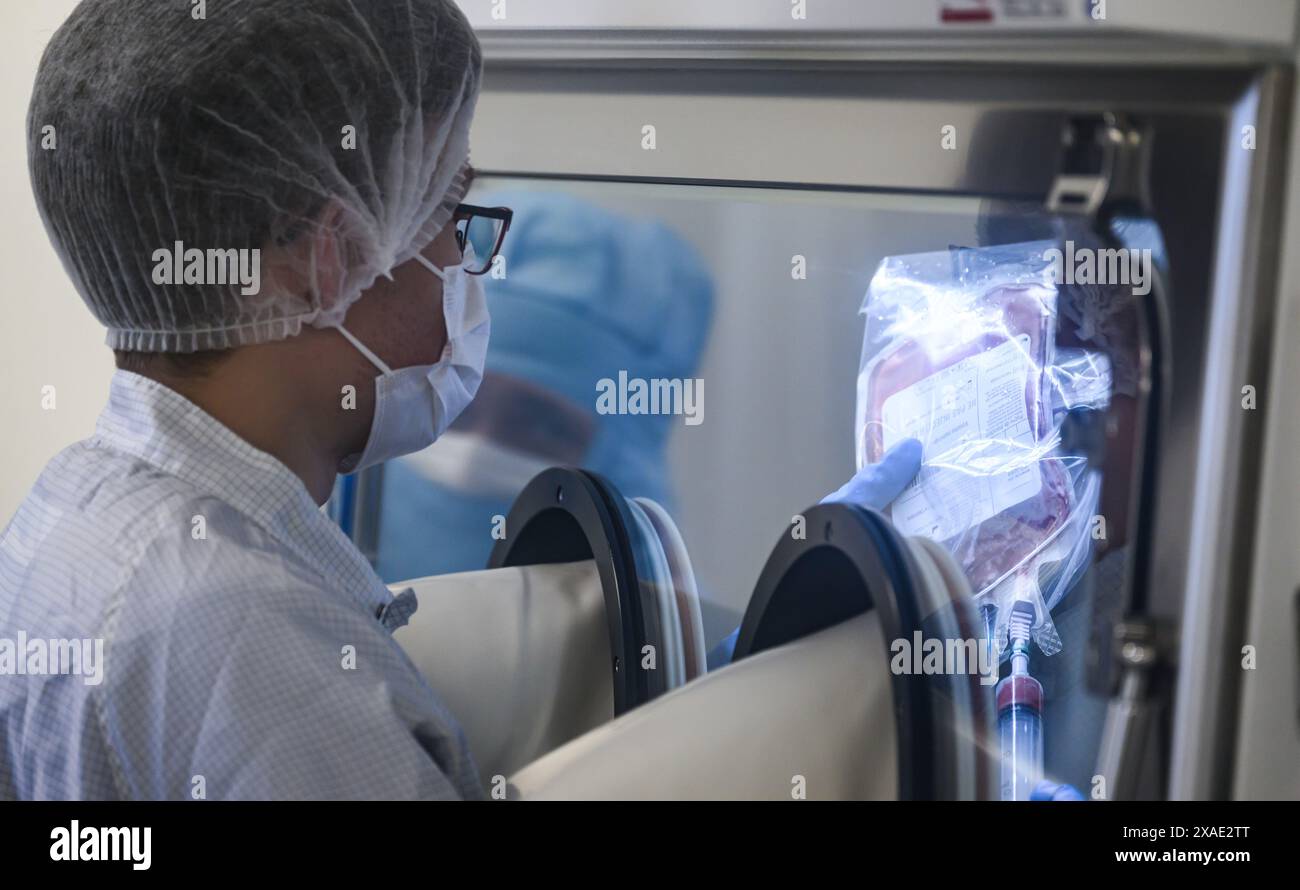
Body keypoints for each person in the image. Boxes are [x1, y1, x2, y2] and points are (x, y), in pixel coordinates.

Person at [1, 0, 907, 801]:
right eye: (449, 214)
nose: (463, 266)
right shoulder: (249, 635)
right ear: (333, 256)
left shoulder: (73, 514)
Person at [373, 192, 715, 583]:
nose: (470, 460)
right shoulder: (315, 588)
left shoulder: (680, 637)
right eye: (453, 402)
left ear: (628, 457)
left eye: (541, 425)